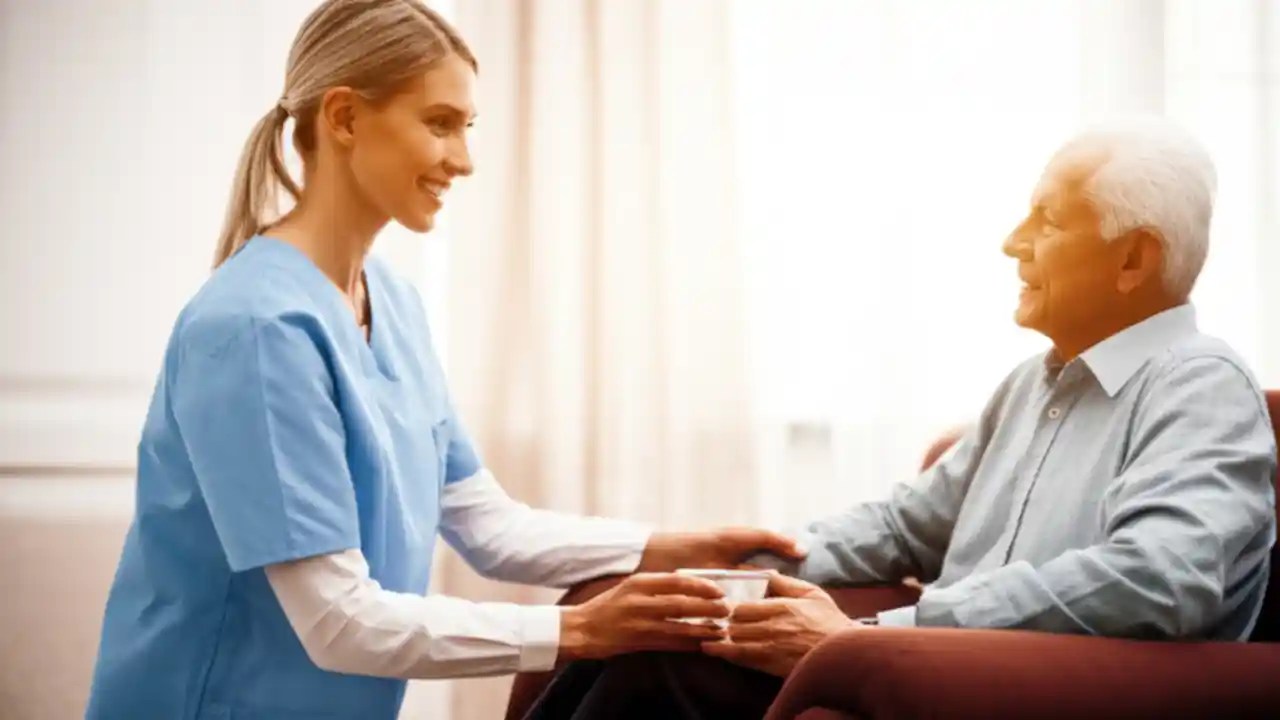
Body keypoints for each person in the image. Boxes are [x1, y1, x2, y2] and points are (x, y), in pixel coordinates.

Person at [83, 2, 804, 718]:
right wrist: (581, 629)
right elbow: (339, 621)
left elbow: (489, 528)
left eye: (467, 127)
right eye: (440, 124)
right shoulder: (254, 329)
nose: (463, 159)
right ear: (343, 118)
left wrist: (670, 548)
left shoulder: (389, 301)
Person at [523, 119, 1278, 719]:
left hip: (1028, 688)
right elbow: (906, 526)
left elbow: (1157, 581)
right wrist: (738, 579)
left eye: (1046, 221)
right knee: (647, 635)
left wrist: (878, 637)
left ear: (1132, 260)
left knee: (662, 670)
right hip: (931, 674)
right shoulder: (1031, 385)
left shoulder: (1199, 385)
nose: (1012, 243)